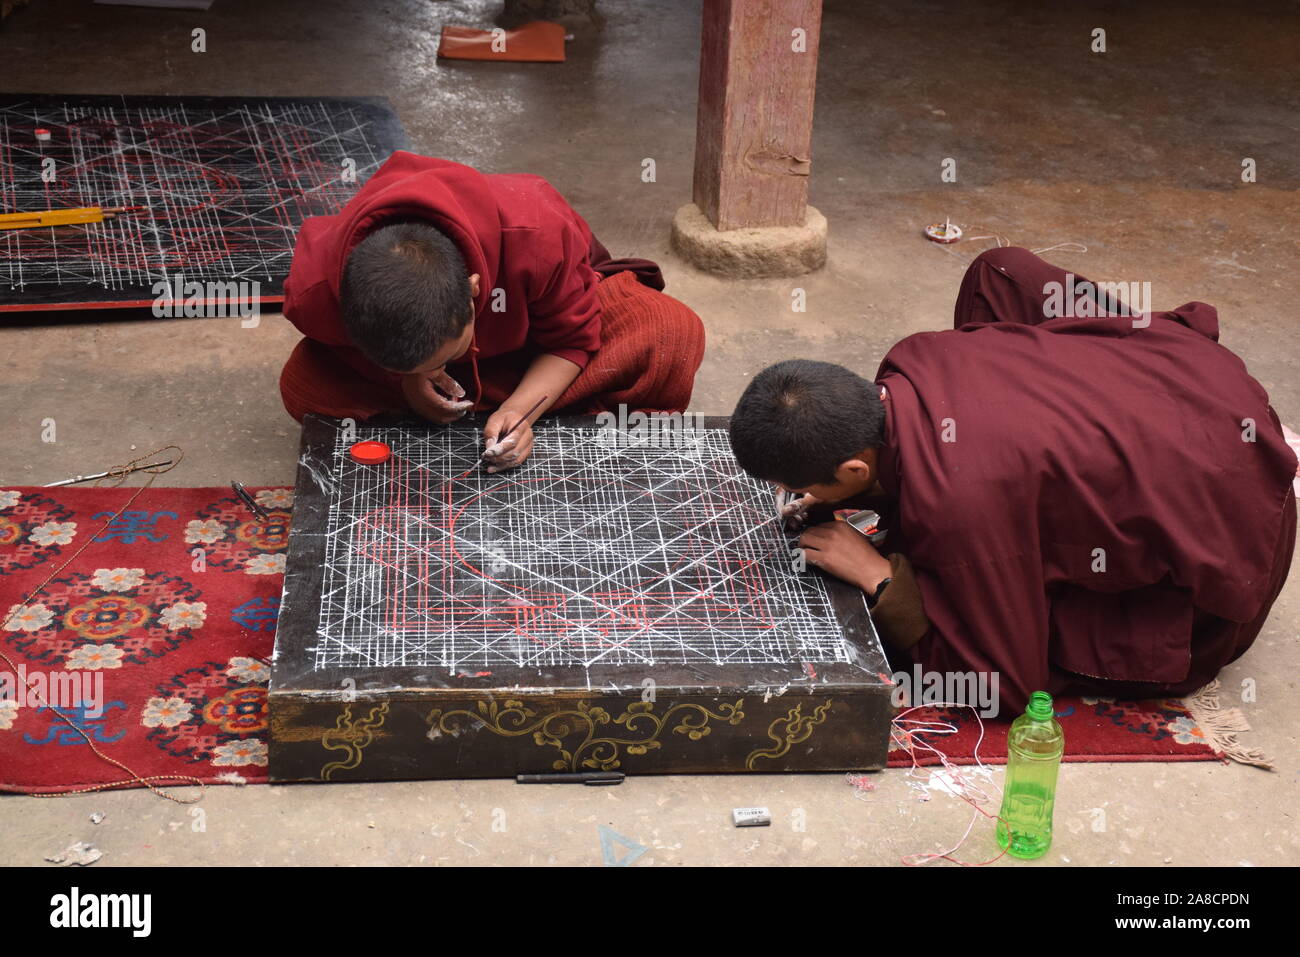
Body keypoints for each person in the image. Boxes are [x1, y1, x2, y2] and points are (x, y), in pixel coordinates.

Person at [728, 246, 1297, 713]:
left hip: (1232, 568)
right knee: (998, 271)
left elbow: (1002, 687)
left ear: (854, 469)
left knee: (983, 633)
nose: (798, 499)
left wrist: (880, 577)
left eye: (807, 486)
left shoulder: (958, 499)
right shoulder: (918, 359)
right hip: (1204, 389)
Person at [278, 150, 705, 470]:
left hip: (536, 345)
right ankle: (535, 404)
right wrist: (408, 381)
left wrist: (519, 413)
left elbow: (573, 340)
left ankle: (510, 403)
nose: (443, 364)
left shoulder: (536, 234)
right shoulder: (316, 288)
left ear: (473, 291)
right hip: (453, 372)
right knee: (305, 385)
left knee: (669, 332)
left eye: (447, 355)